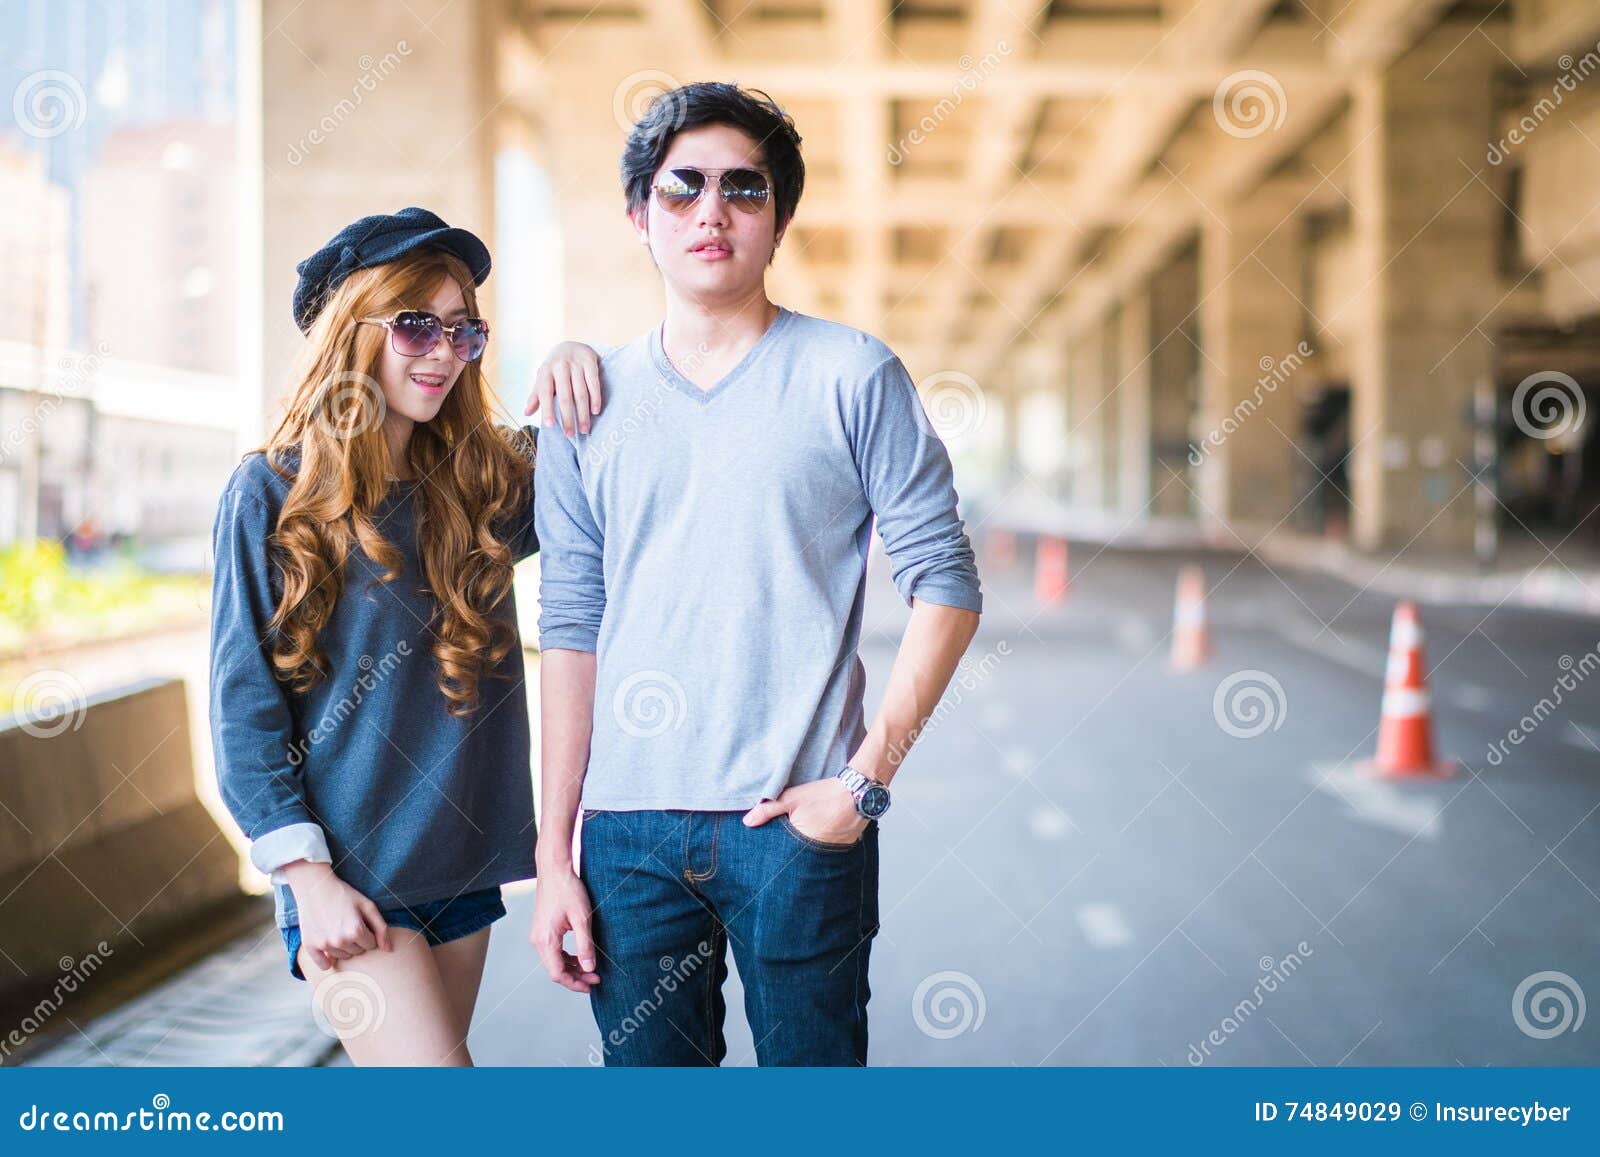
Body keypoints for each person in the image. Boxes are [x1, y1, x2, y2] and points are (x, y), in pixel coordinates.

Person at [531, 83, 984, 1066]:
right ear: (637, 216)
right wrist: (553, 851)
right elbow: (569, 626)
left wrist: (859, 787)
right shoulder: (584, 401)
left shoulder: (851, 374)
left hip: (795, 823)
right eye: (682, 188)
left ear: (777, 220)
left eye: (743, 189)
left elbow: (945, 586)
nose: (711, 211)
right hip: (627, 838)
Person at [208, 207, 602, 1065]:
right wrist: (307, 881)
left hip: (458, 866)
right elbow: (245, 708)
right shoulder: (268, 490)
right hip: (350, 879)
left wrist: (576, 358)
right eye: (415, 324)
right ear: (353, 330)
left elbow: (604, 449)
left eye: (464, 331)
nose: (441, 350)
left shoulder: (485, 480)